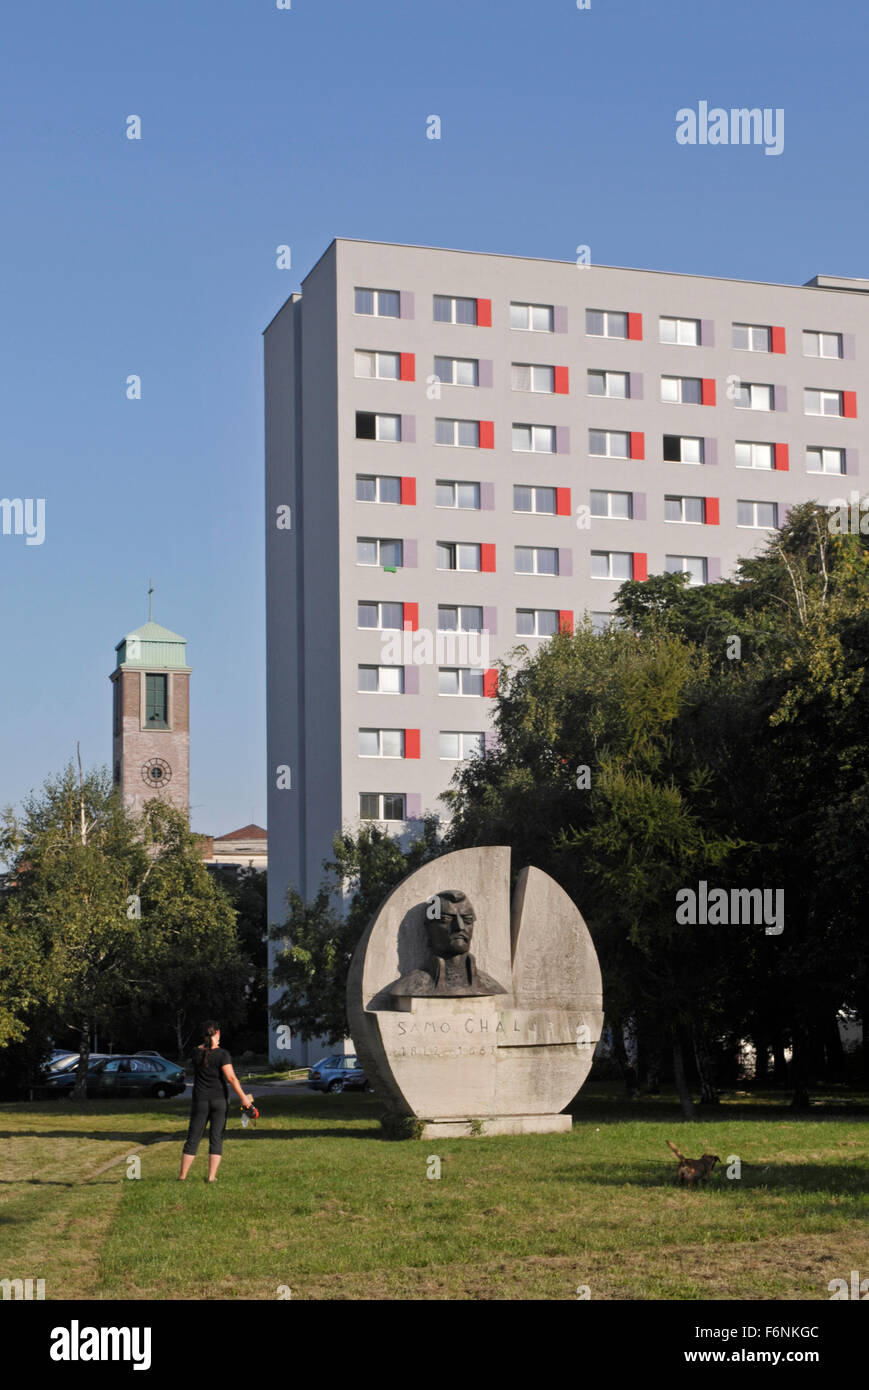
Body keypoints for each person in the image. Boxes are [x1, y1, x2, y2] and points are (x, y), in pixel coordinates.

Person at [178, 1021, 254, 1182]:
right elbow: (231, 1078)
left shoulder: (195, 1052)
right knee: (216, 1138)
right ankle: (211, 1177)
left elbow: (201, 1050)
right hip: (219, 1101)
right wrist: (244, 1098)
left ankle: (182, 1177)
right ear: (218, 1033)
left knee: (193, 1137)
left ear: (204, 1035)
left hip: (200, 1101)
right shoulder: (223, 1054)